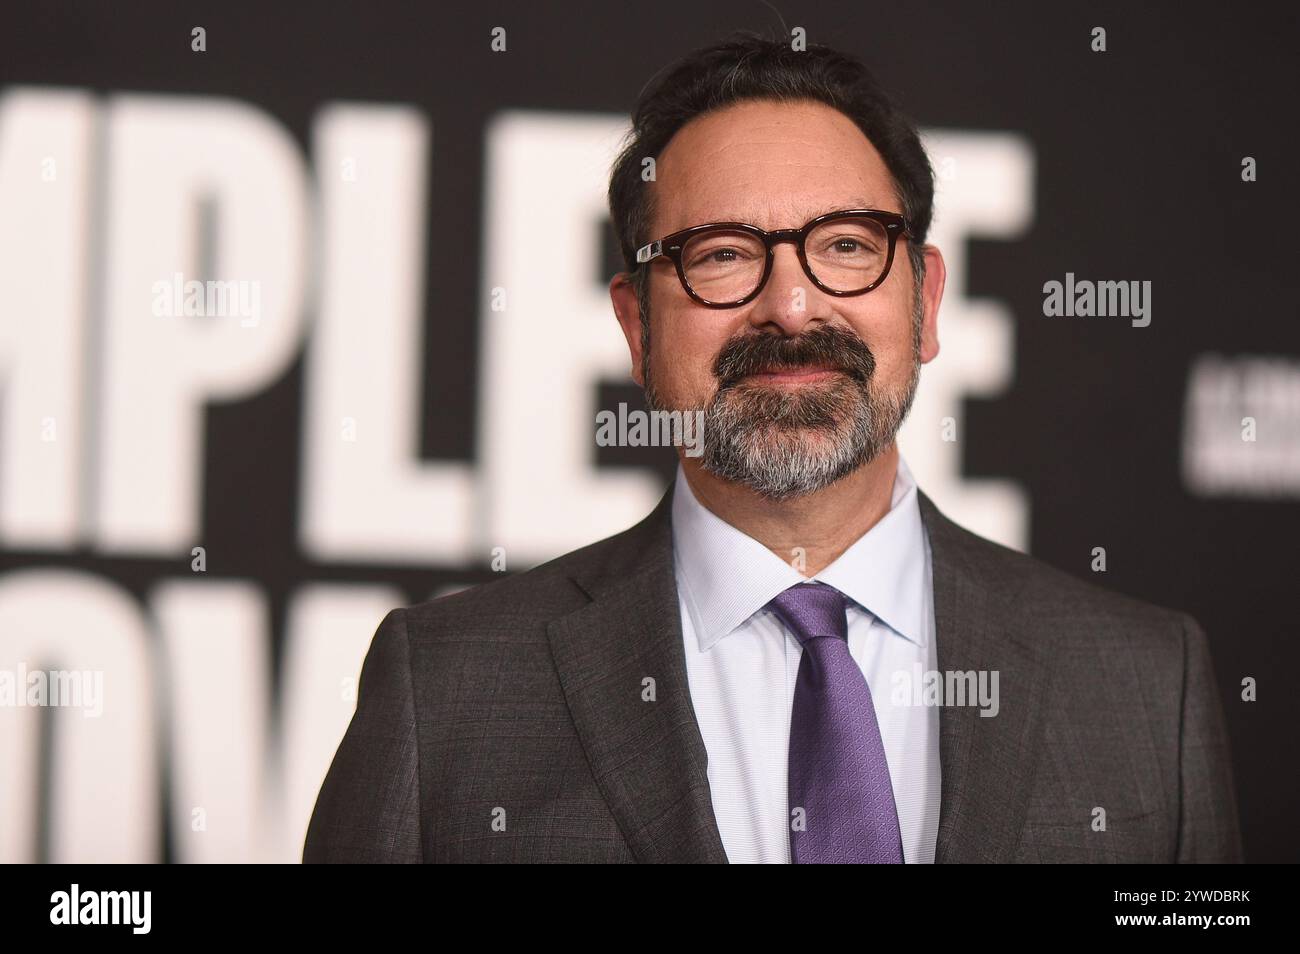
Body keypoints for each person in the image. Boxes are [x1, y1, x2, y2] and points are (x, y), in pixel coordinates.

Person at [303, 32, 1243, 863]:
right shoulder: (448, 691)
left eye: (844, 245)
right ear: (637, 327)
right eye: (720, 253)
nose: (791, 305)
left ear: (926, 301)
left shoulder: (1147, 685)